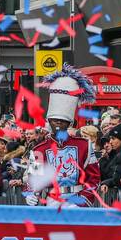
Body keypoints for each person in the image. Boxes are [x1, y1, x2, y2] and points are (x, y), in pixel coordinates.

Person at [24, 68, 102, 205]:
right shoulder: (39, 150)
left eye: (63, 120)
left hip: (78, 201)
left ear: (70, 122)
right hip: (51, 201)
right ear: (49, 121)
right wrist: (30, 194)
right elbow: (33, 179)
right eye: (55, 120)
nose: (58, 123)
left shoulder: (84, 145)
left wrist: (81, 201)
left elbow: (94, 179)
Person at [98, 123, 121, 202]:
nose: (110, 142)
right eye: (110, 138)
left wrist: (105, 183)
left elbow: (117, 177)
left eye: (113, 138)